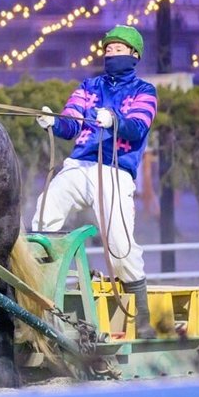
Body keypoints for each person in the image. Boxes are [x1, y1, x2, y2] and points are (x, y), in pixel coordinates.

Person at [33, 25, 159, 339]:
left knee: (119, 246)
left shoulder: (145, 91)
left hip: (115, 170)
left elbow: (137, 128)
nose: (110, 54)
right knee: (42, 216)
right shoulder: (89, 86)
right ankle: (40, 292)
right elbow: (70, 124)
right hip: (79, 164)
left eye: (117, 49)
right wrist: (53, 121)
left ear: (134, 55)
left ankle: (141, 316)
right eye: (107, 49)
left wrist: (115, 119)